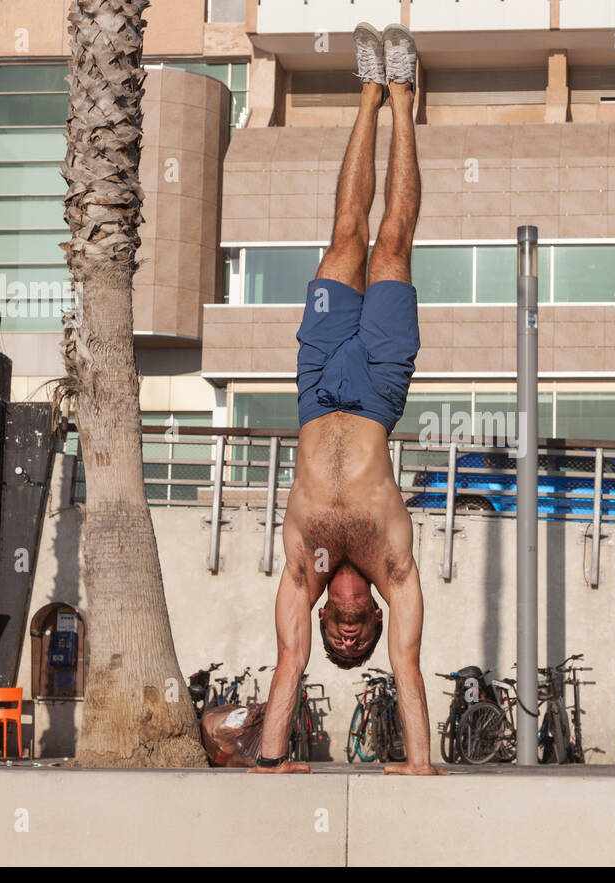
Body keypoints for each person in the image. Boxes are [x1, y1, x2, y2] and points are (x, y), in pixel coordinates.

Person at [251, 23, 442, 776]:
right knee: (392, 241)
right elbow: (411, 669)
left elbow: (287, 662)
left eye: (346, 631)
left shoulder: (306, 567)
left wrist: (273, 759)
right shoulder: (393, 568)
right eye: (364, 633)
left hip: (315, 382)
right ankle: (402, 96)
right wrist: (420, 764)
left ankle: (364, 93)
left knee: (343, 234)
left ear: (330, 611)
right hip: (378, 388)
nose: (356, 627)